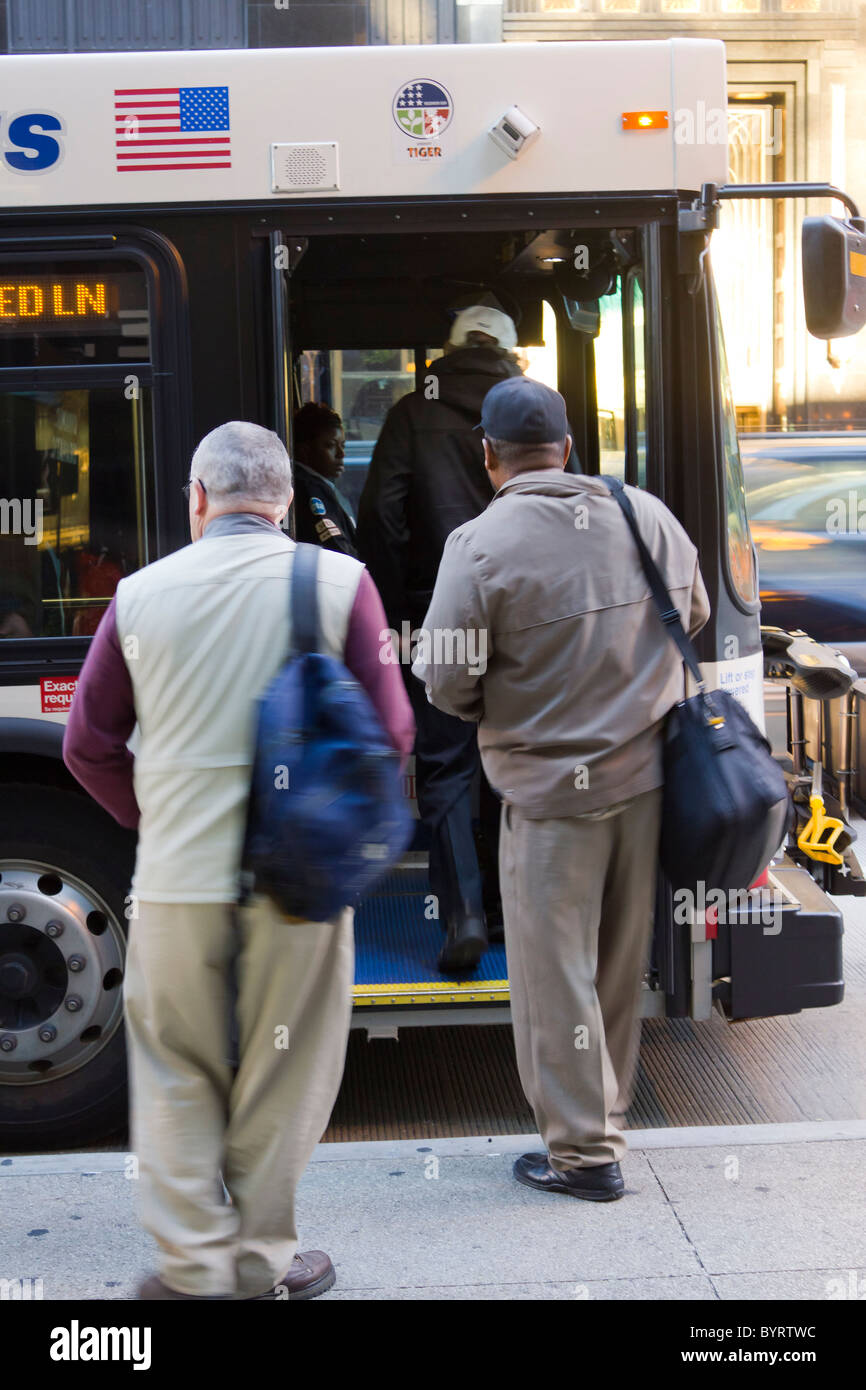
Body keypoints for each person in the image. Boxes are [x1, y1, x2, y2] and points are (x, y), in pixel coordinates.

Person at [63, 421, 414, 1299]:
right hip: (297, 885)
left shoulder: (137, 596)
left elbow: (87, 744)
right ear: (288, 506)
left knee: (175, 1063)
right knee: (284, 1064)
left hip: (178, 885)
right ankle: (259, 1265)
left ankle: (191, 1266)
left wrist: (159, 817)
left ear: (197, 501)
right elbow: (395, 733)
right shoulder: (342, 583)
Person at [413, 376, 710, 1201]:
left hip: (549, 799)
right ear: (569, 447)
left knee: (555, 977)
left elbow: (444, 680)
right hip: (647, 782)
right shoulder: (641, 512)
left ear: (488, 457)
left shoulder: (477, 545)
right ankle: (604, 1120)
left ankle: (584, 1157)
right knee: (617, 966)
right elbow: (692, 611)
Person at [356, 301, 525, 973]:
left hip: (437, 622)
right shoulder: (533, 413)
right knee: (516, 759)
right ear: (509, 354)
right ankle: (515, 905)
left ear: (449, 348)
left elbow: (382, 515)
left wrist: (400, 615)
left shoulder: (411, 411)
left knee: (448, 765)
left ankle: (462, 918)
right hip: (523, 622)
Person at [292, 402, 357, 556]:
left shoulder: (320, 486)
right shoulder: (310, 490)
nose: (341, 454)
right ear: (304, 451)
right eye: (330, 445)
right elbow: (338, 550)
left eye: (343, 445)